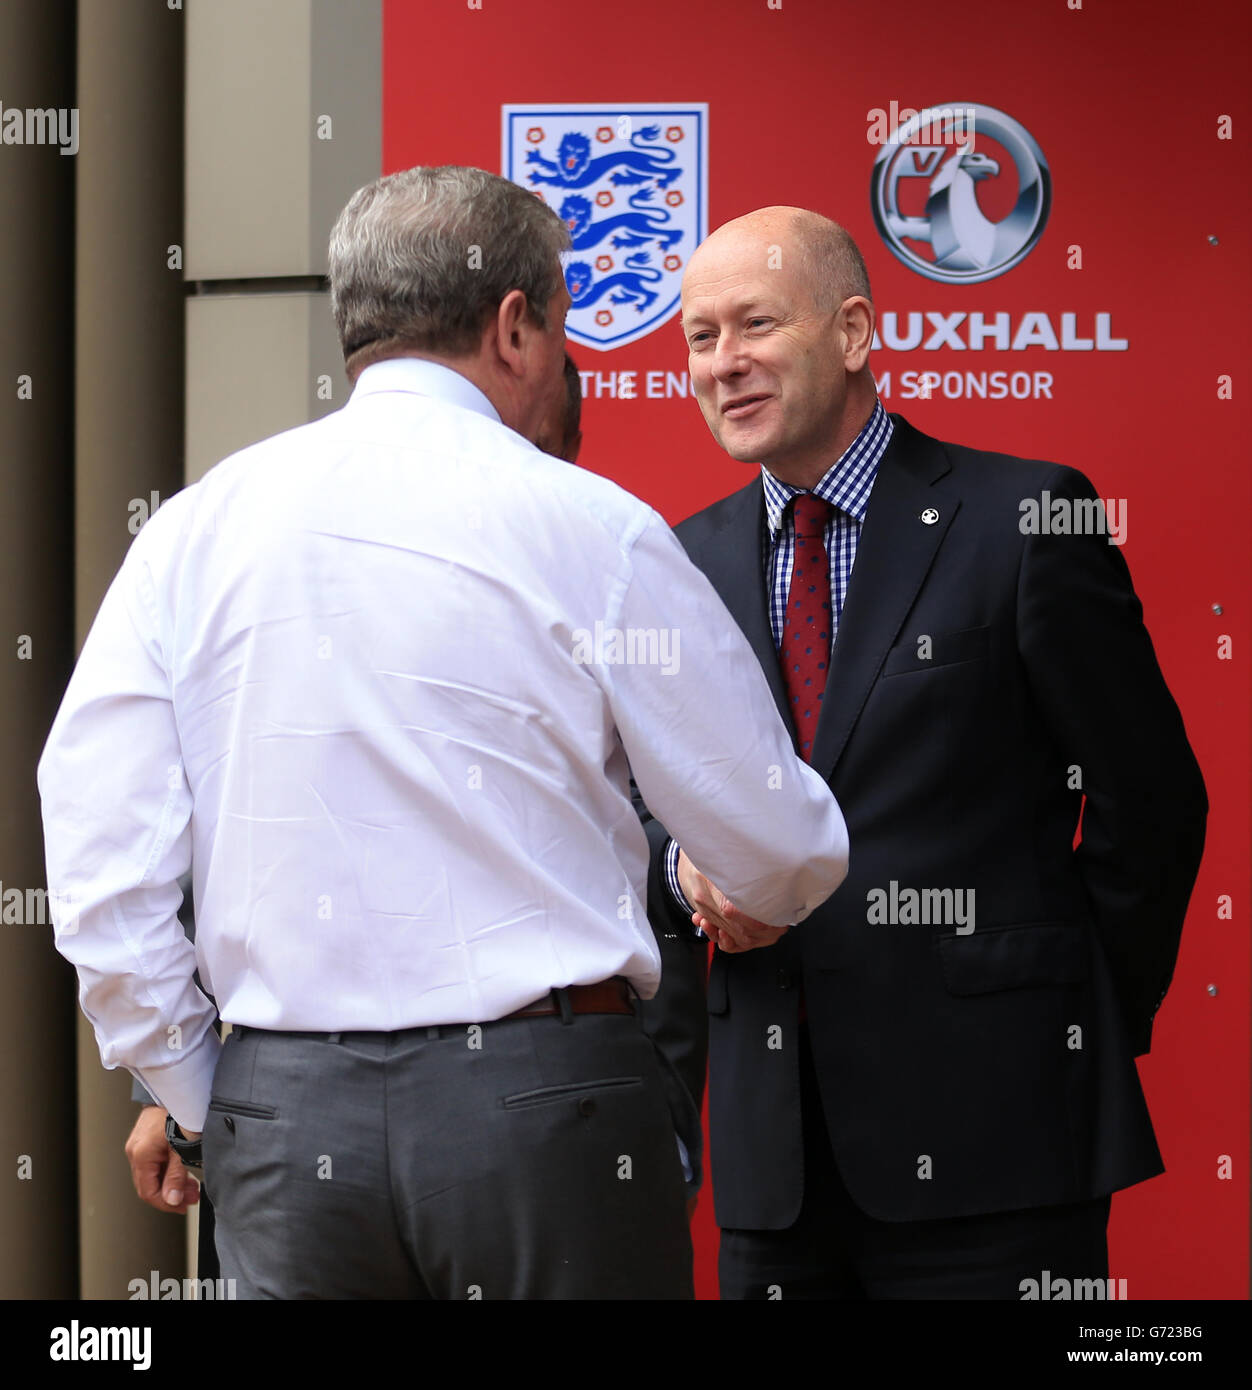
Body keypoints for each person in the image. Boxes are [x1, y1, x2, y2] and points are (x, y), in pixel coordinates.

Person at [38, 168, 849, 1300]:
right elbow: (776, 841)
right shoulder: (591, 526)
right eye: (561, 330)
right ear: (514, 326)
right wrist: (748, 872)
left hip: (282, 1110)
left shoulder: (194, 529)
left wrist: (198, 1087)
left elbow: (96, 853)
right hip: (543, 1103)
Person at [640, 205, 1207, 1298]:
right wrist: (683, 866)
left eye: (754, 323)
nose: (723, 364)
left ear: (853, 332)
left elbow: (1150, 801)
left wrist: (1070, 1015)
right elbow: (659, 803)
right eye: (699, 338)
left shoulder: (1030, 515)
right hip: (775, 1164)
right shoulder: (679, 558)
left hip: (997, 1136)